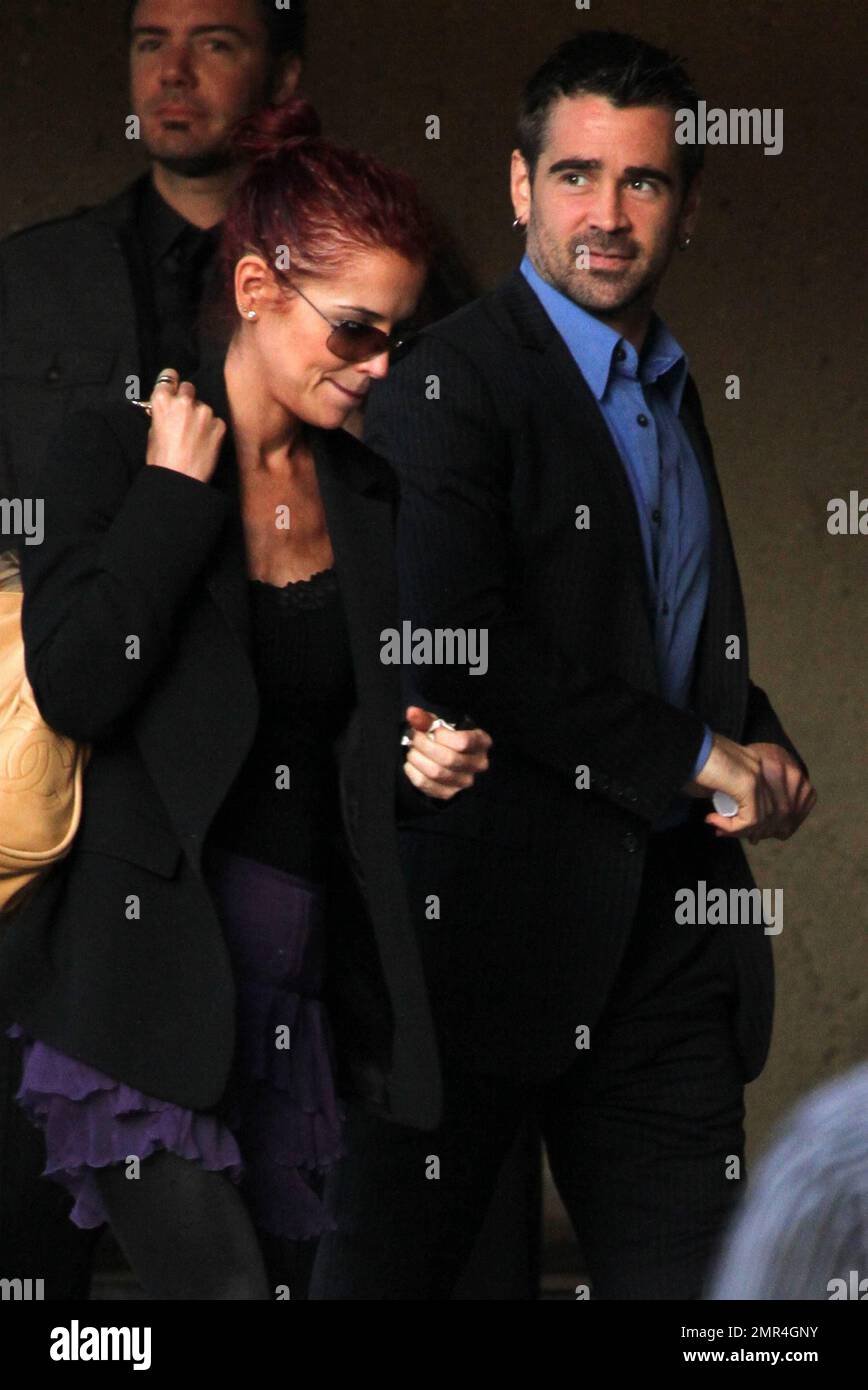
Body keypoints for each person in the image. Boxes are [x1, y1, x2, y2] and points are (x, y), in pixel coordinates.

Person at [310, 30, 817, 1300]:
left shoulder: (666, 379)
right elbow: (464, 644)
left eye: (641, 182)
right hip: (474, 958)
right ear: (520, 186)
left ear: (687, 207)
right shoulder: (453, 384)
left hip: (663, 965)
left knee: (716, 1313)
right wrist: (691, 751)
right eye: (577, 175)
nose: (606, 213)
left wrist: (752, 731)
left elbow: (645, 627)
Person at [0, 0, 483, 1300]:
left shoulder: (369, 502)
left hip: (307, 990)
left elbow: (358, 728)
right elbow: (83, 681)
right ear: (260, 290)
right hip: (138, 982)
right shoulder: (121, 450)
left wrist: (425, 748)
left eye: (401, 336)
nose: (382, 366)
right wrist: (170, 500)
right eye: (356, 333)